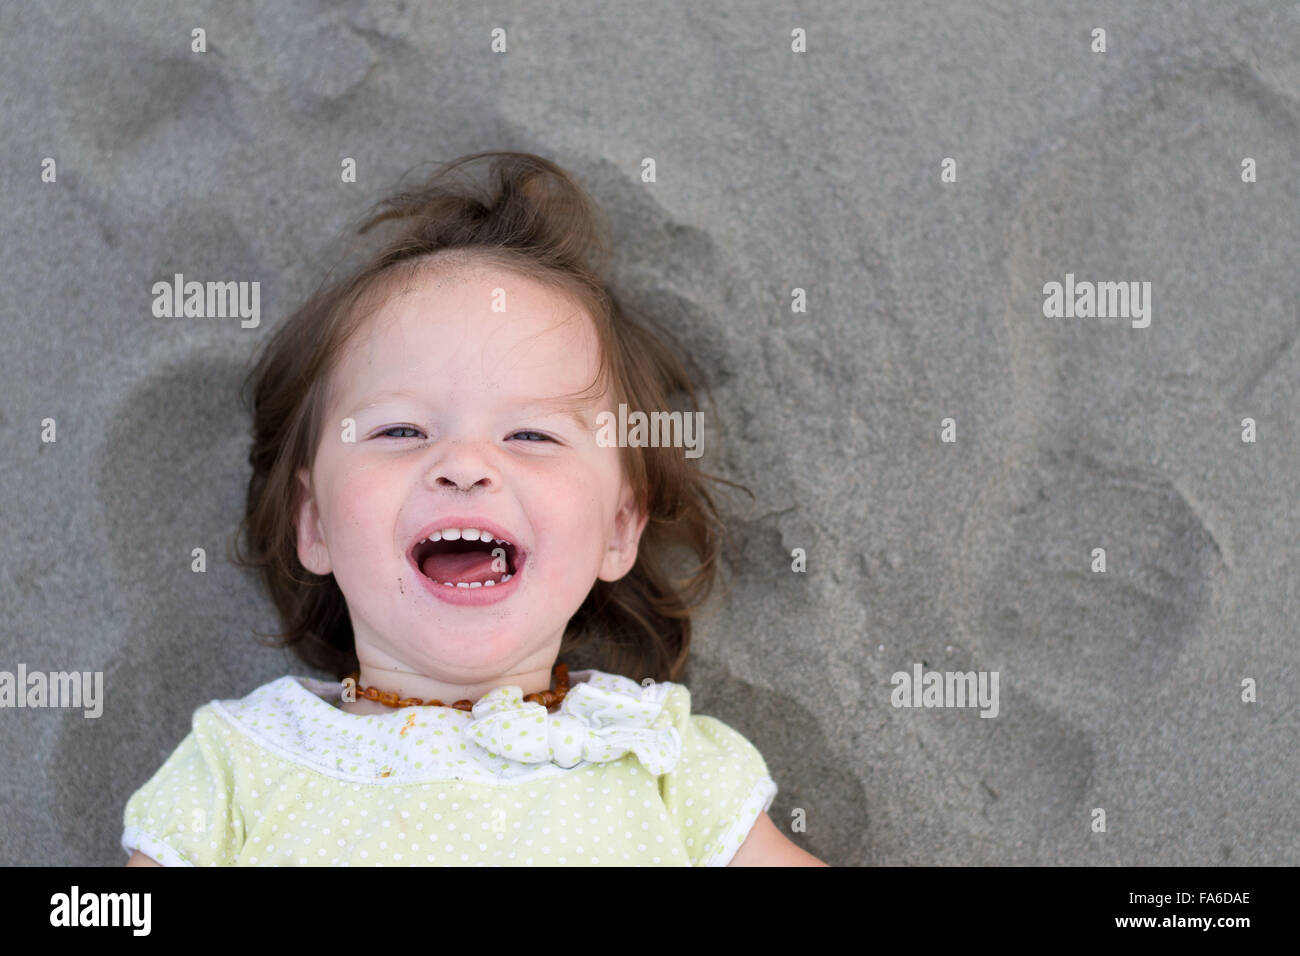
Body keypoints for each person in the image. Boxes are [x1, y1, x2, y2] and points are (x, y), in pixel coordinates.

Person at [122, 150, 827, 866]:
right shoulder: (241, 763)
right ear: (314, 521)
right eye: (401, 431)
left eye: (532, 435)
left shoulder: (661, 758)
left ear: (618, 529)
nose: (463, 465)